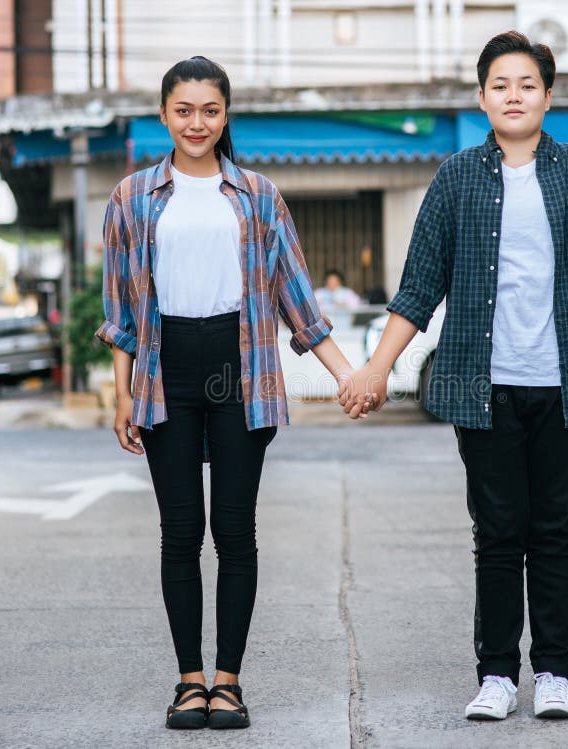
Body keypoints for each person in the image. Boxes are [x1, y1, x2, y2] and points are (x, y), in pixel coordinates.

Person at [341, 31, 568, 721]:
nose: (514, 95)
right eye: (501, 85)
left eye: (527, 84)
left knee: (554, 531)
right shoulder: (456, 178)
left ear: (547, 95)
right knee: (498, 531)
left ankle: (555, 672)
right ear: (481, 98)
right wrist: (377, 368)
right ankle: (498, 674)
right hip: (486, 384)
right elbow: (420, 285)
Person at [95, 56, 359, 731]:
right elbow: (123, 310)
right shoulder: (131, 197)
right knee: (180, 532)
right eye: (183, 110)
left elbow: (297, 297)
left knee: (234, 531)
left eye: (209, 110)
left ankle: (229, 681)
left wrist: (348, 373)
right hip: (165, 371)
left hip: (240, 370)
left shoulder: (258, 195)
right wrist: (123, 394)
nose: (197, 122)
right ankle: (189, 680)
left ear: (226, 115)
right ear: (164, 114)